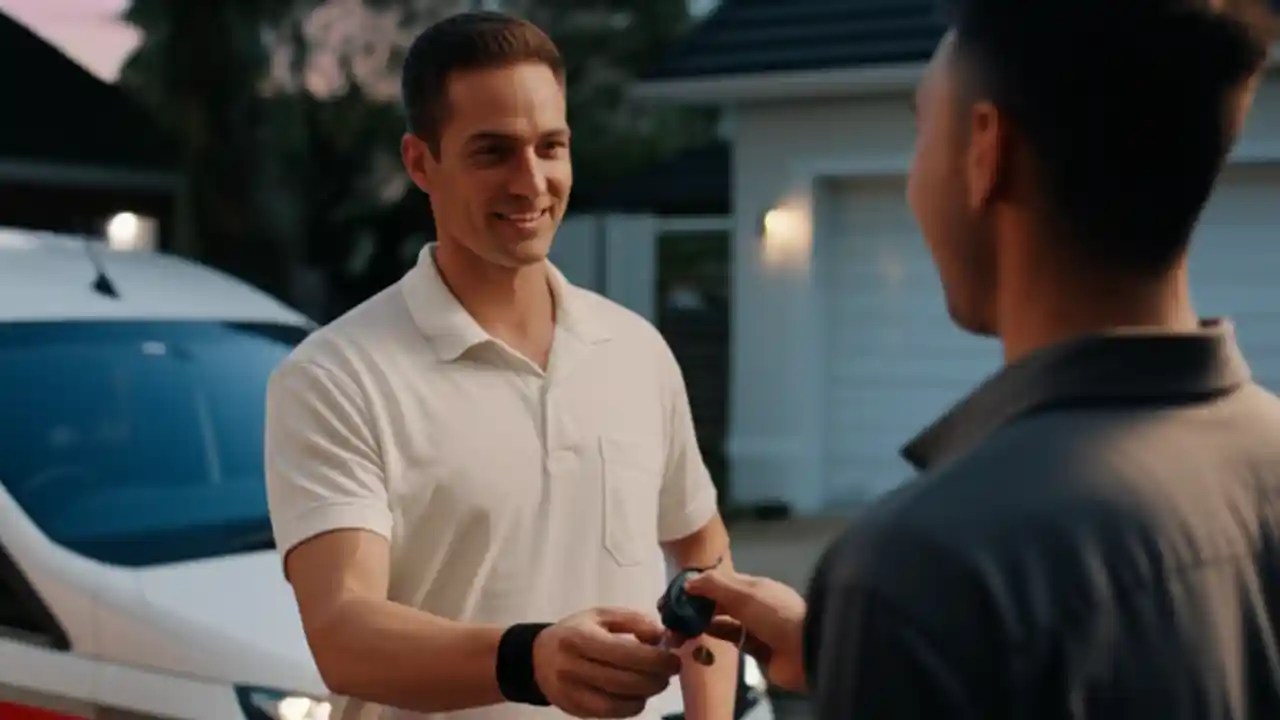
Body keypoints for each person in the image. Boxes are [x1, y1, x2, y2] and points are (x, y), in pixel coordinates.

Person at [681, 0, 1279, 718]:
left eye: (920, 130)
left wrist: (906, 633)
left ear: (985, 151)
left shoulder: (930, 566)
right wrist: (849, 653)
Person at [263, 11, 739, 720]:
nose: (532, 181)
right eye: (493, 153)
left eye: (551, 146)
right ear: (421, 163)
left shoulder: (636, 350)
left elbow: (706, 561)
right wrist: (532, 659)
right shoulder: (336, 377)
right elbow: (343, 631)